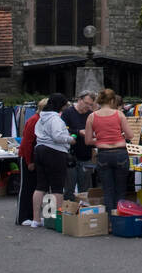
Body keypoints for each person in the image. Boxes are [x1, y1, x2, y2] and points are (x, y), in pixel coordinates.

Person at [85, 88, 136, 214]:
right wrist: (119, 136)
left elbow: (88, 141)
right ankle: (120, 218)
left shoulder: (92, 117)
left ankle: (110, 222)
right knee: (121, 189)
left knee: (108, 190)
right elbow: (130, 135)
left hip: (103, 154)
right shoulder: (119, 114)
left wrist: (101, 139)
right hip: (120, 153)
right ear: (113, 100)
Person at [31, 94, 72, 227]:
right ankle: (55, 220)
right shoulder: (55, 119)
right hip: (55, 152)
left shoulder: (41, 117)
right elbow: (57, 136)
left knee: (41, 186)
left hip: (40, 150)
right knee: (57, 187)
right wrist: (70, 139)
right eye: (65, 105)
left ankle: (36, 219)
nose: (66, 107)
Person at [17, 98, 45, 226]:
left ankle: (35, 215)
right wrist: (29, 161)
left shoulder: (42, 120)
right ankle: (22, 217)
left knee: (36, 187)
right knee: (26, 188)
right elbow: (27, 143)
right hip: (28, 157)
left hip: (37, 158)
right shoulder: (34, 120)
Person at [62, 92, 96, 196]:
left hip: (86, 155)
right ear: (79, 100)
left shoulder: (90, 114)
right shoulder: (68, 112)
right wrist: (78, 132)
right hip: (71, 156)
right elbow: (62, 130)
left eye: (91, 104)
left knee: (85, 190)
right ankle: (69, 210)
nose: (88, 106)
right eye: (86, 103)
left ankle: (83, 211)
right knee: (69, 188)